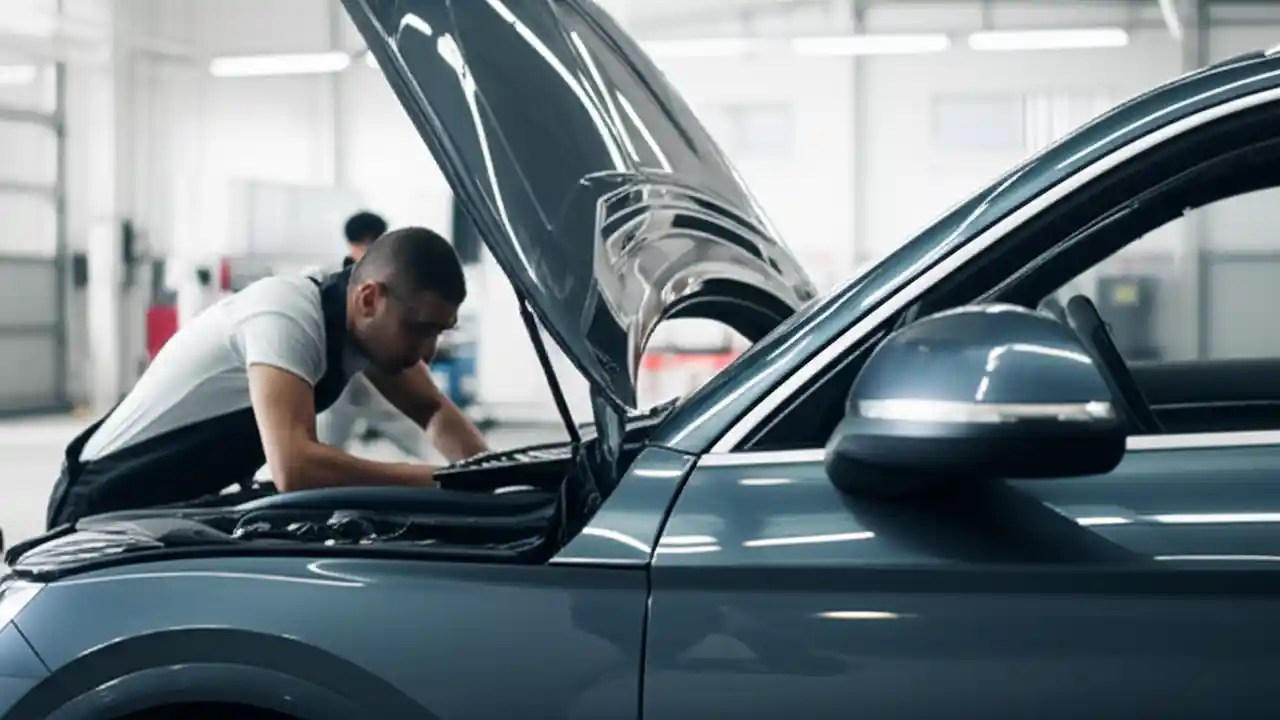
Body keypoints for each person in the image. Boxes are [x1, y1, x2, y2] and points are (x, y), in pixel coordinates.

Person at [47, 227, 488, 529]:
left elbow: (434, 412)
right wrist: (441, 481)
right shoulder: (288, 313)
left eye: (439, 332)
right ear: (369, 298)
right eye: (421, 329)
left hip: (171, 505)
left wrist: (497, 484)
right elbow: (295, 467)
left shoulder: (364, 328)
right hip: (100, 503)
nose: (428, 351)